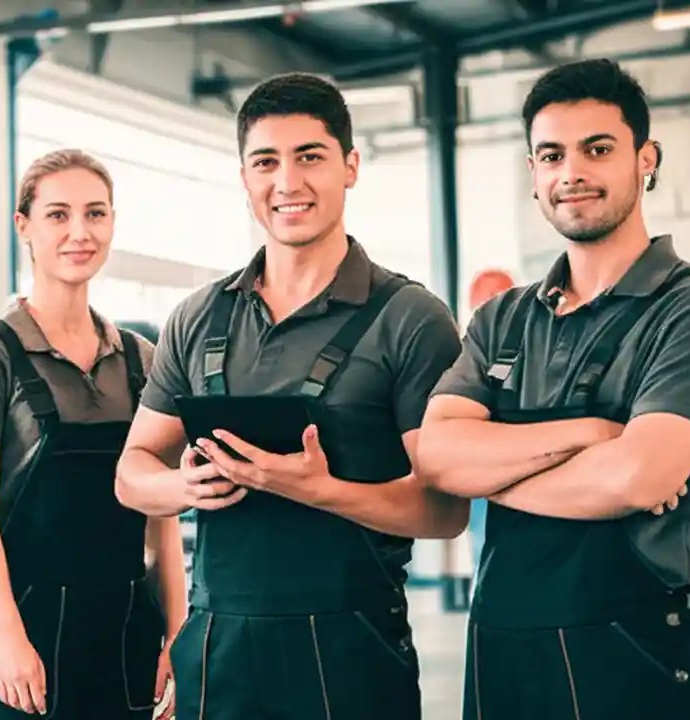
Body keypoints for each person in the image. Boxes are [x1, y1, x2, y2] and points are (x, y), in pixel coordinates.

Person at [115, 72, 470, 720]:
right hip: (218, 646)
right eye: (265, 162)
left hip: (351, 649)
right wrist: (184, 487)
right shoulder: (198, 318)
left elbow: (444, 510)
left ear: (350, 166)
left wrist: (321, 489)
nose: (287, 182)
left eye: (309, 156)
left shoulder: (410, 319)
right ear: (244, 177)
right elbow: (132, 474)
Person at [415, 59, 690, 720]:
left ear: (645, 159)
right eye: (552, 155)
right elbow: (434, 458)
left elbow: (635, 477)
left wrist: (485, 473)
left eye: (597, 149)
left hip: (629, 650)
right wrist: (593, 435)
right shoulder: (502, 319)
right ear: (534, 173)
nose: (571, 172)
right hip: (499, 644)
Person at [0, 149, 185, 720]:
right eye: (58, 215)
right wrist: (4, 637)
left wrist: (177, 634)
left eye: (95, 213)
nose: (80, 232)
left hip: (125, 634)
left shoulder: (141, 359)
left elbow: (161, 518)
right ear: (23, 226)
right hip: (24, 633)